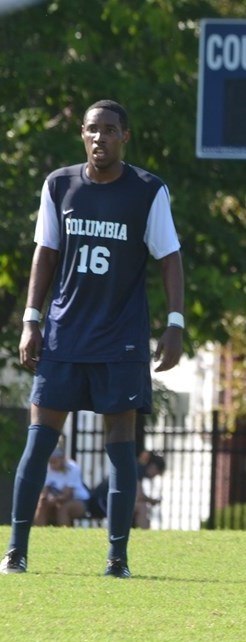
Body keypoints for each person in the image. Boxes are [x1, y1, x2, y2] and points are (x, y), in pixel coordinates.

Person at [0, 99, 184, 578]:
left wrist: (175, 323)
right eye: (91, 129)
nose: (99, 137)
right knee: (38, 444)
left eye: (108, 129)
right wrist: (31, 320)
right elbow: (46, 251)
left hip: (120, 341)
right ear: (82, 135)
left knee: (120, 448)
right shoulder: (60, 184)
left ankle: (117, 559)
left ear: (125, 136)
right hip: (63, 337)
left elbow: (169, 257)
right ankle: (16, 553)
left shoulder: (147, 190)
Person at [33, 442, 90, 527]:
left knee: (63, 508)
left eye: (55, 461)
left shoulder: (72, 468)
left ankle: (64, 534)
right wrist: (45, 499)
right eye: (50, 461)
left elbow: (67, 495)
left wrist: (53, 500)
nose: (52, 465)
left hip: (78, 500)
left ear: (62, 459)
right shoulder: (46, 468)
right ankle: (39, 532)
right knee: (42, 504)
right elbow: (44, 492)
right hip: (55, 499)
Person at [133, 450, 166, 529]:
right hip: (102, 501)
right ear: (153, 467)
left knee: (141, 506)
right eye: (157, 472)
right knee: (142, 507)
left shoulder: (137, 468)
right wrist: (152, 501)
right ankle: (145, 533)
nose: (155, 476)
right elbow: (139, 496)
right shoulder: (138, 469)